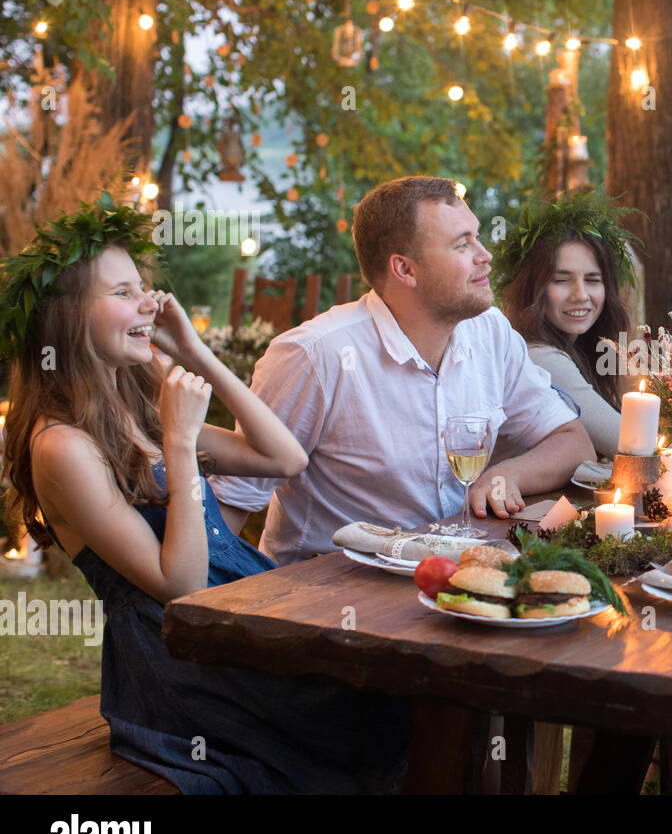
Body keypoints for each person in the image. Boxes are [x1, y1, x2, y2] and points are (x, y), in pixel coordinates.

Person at [1, 197, 411, 793]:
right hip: (183, 657)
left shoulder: (137, 411)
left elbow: (283, 458)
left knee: (397, 690)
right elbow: (183, 586)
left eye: (142, 285)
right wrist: (179, 441)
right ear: (65, 319)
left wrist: (196, 355)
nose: (146, 301)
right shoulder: (62, 447)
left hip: (240, 616)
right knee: (374, 709)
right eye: (121, 293)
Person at [209, 176, 595, 566]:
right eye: (463, 244)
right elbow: (230, 507)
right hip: (329, 597)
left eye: (477, 237)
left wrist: (510, 473)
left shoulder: (489, 331)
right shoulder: (314, 356)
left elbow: (573, 442)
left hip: (449, 580)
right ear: (404, 269)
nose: (485, 255)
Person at [494, 191, 637, 460]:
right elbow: (626, 441)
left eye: (593, 280)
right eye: (561, 280)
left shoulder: (584, 349)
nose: (580, 294)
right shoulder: (538, 355)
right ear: (534, 289)